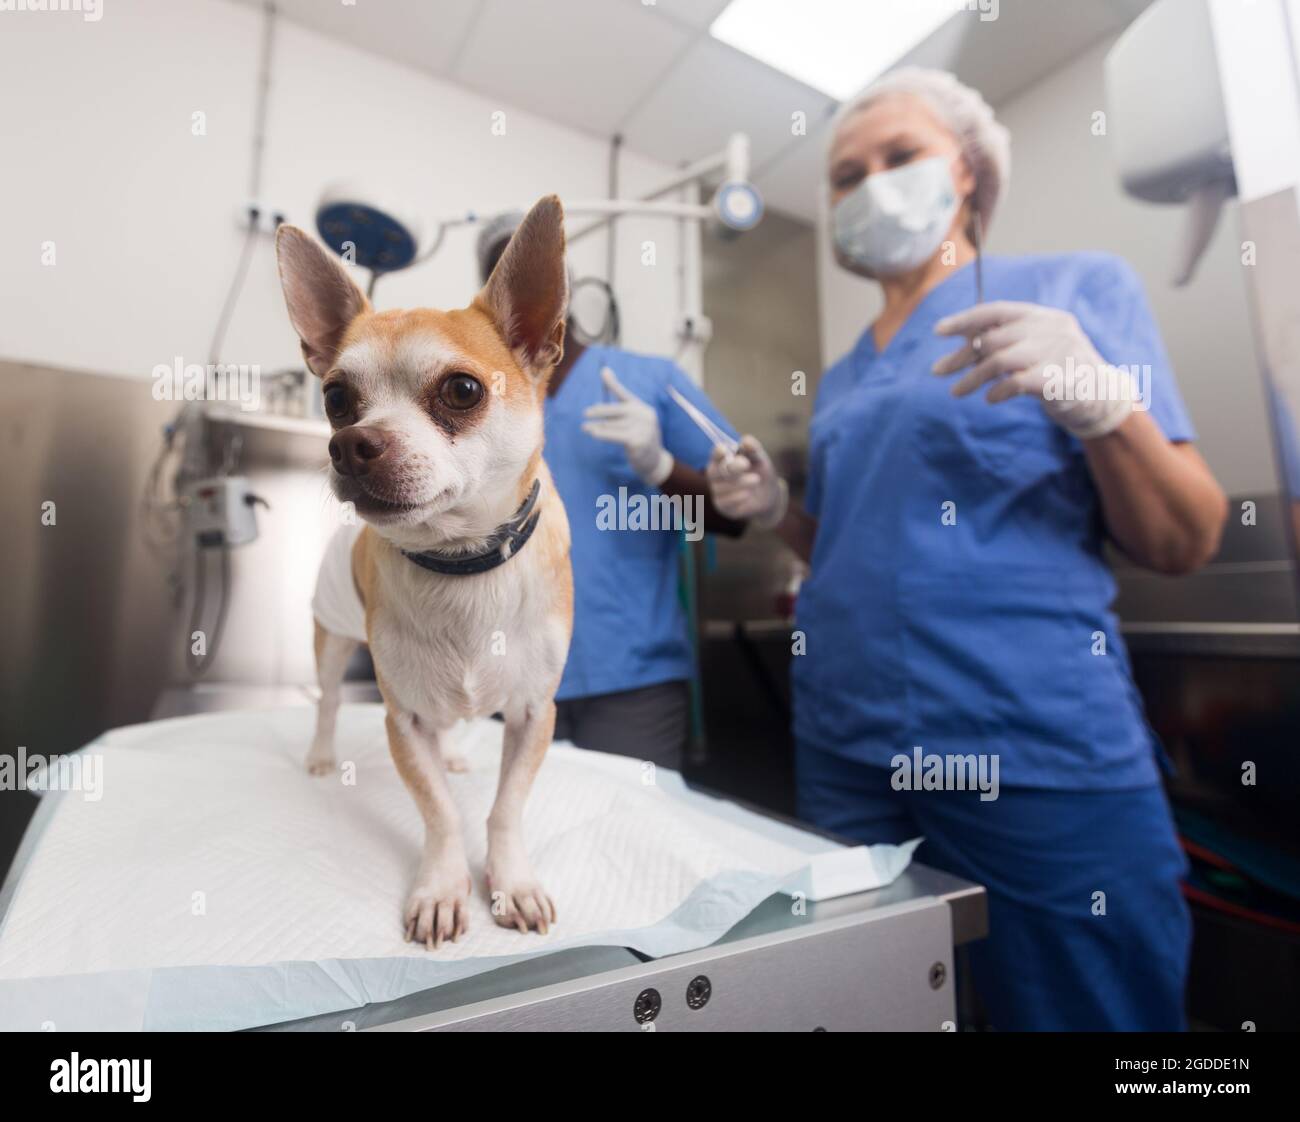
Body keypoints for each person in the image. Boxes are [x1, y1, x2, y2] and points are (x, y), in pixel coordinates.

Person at [707, 67, 1228, 1030]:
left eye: (901, 157)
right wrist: (779, 508)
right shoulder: (844, 373)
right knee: (872, 1005)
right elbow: (854, 551)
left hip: (1029, 747)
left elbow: (1184, 535)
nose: (870, 186)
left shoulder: (1073, 290)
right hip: (845, 745)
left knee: (1092, 1014)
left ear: (973, 172)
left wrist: (1105, 402)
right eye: (845, 173)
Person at [477, 214, 742, 771]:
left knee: (635, 841)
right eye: (502, 277)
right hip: (506, 683)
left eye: (534, 272)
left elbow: (735, 514)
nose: (520, 291)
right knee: (517, 842)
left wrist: (662, 465)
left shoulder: (650, 381)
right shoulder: (479, 403)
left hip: (631, 682)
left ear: (563, 285)